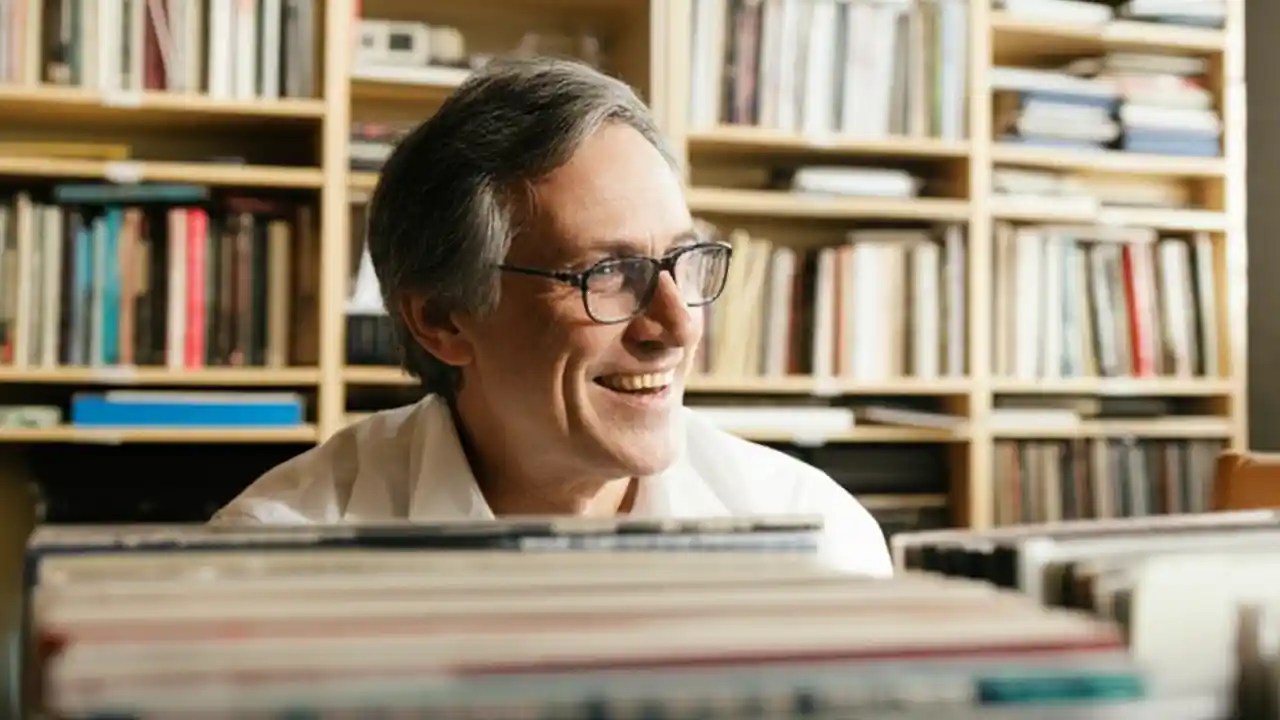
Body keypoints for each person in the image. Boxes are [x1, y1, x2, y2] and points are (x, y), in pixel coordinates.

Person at [210, 56, 893, 577]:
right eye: (609, 274)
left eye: (683, 261)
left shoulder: (818, 543)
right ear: (442, 318)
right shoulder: (274, 566)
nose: (678, 327)